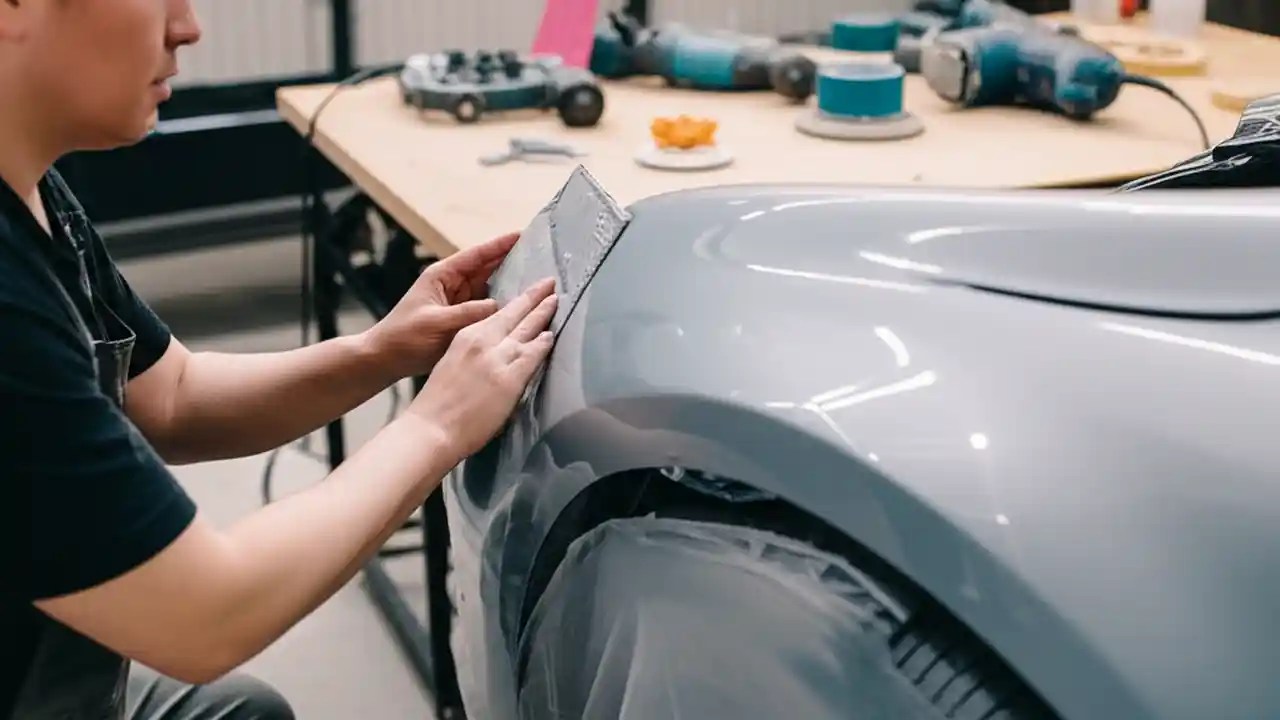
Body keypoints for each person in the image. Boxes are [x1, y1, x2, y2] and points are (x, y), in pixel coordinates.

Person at [0, 1, 558, 718]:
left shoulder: (33, 191)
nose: (187, 27)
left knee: (247, 711)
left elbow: (171, 396)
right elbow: (201, 616)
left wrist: (380, 351)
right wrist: (437, 426)